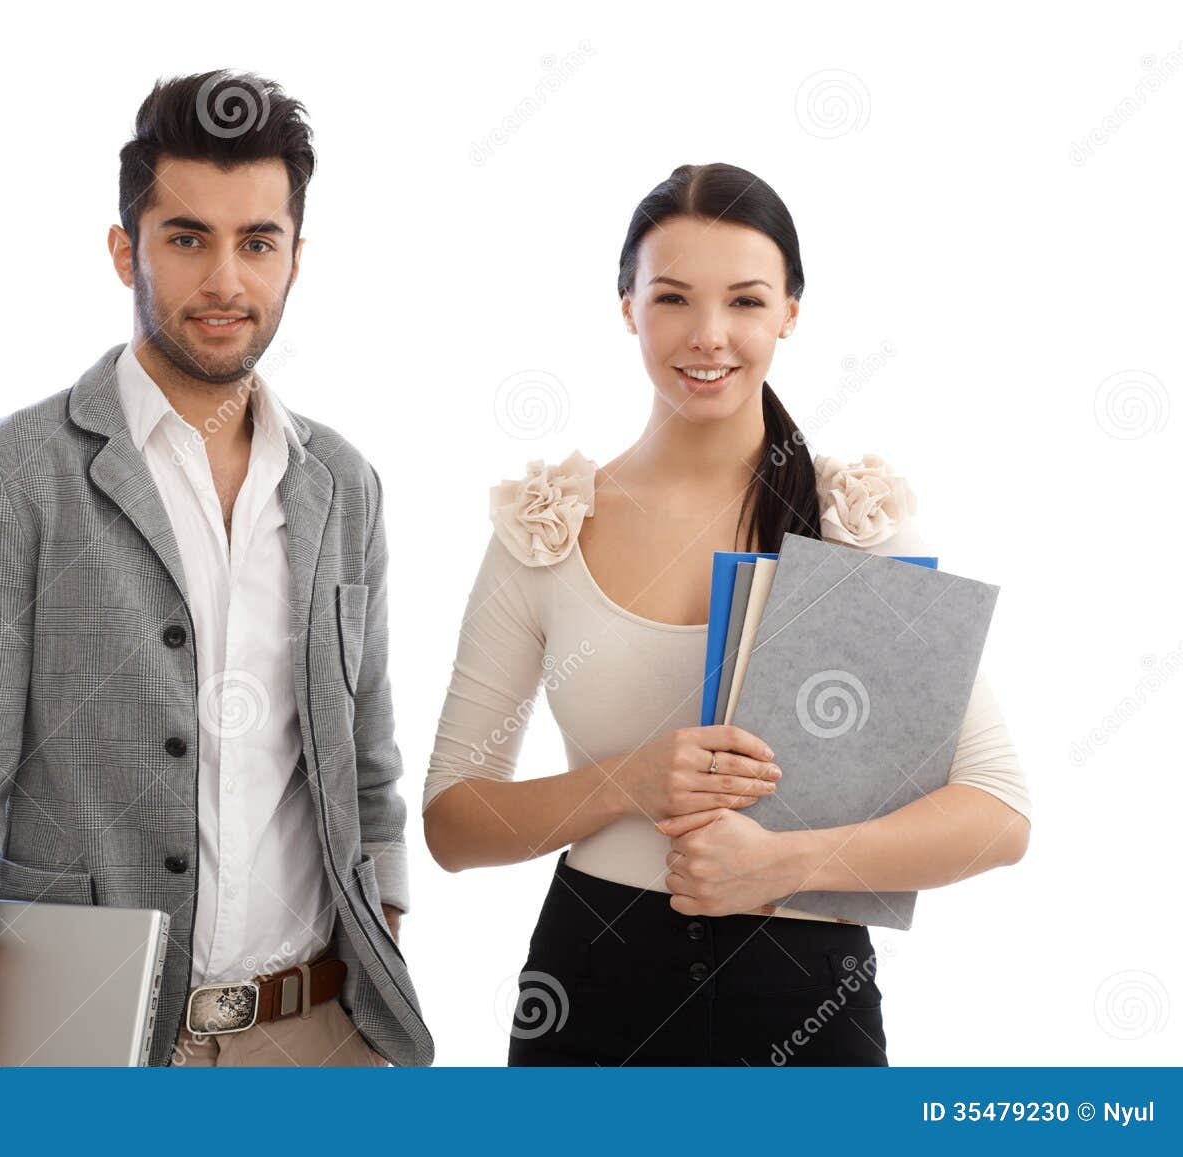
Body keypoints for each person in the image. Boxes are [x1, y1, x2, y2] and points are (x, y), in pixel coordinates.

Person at [421, 162, 1032, 1066]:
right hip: (593, 979)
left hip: (809, 989)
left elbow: (998, 811)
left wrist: (786, 865)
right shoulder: (546, 528)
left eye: (745, 300)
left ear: (790, 310)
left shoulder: (850, 522)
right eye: (672, 297)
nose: (708, 336)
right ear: (626, 303)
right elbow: (453, 823)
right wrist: (630, 780)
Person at [0, 70, 431, 1068]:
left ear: (295, 258)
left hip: (314, 1036)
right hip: (89, 1035)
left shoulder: (343, 483)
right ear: (125, 250)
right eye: (187, 239)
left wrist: (380, 963)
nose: (225, 280)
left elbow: (370, 761)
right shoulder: (11, 472)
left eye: (257, 241)